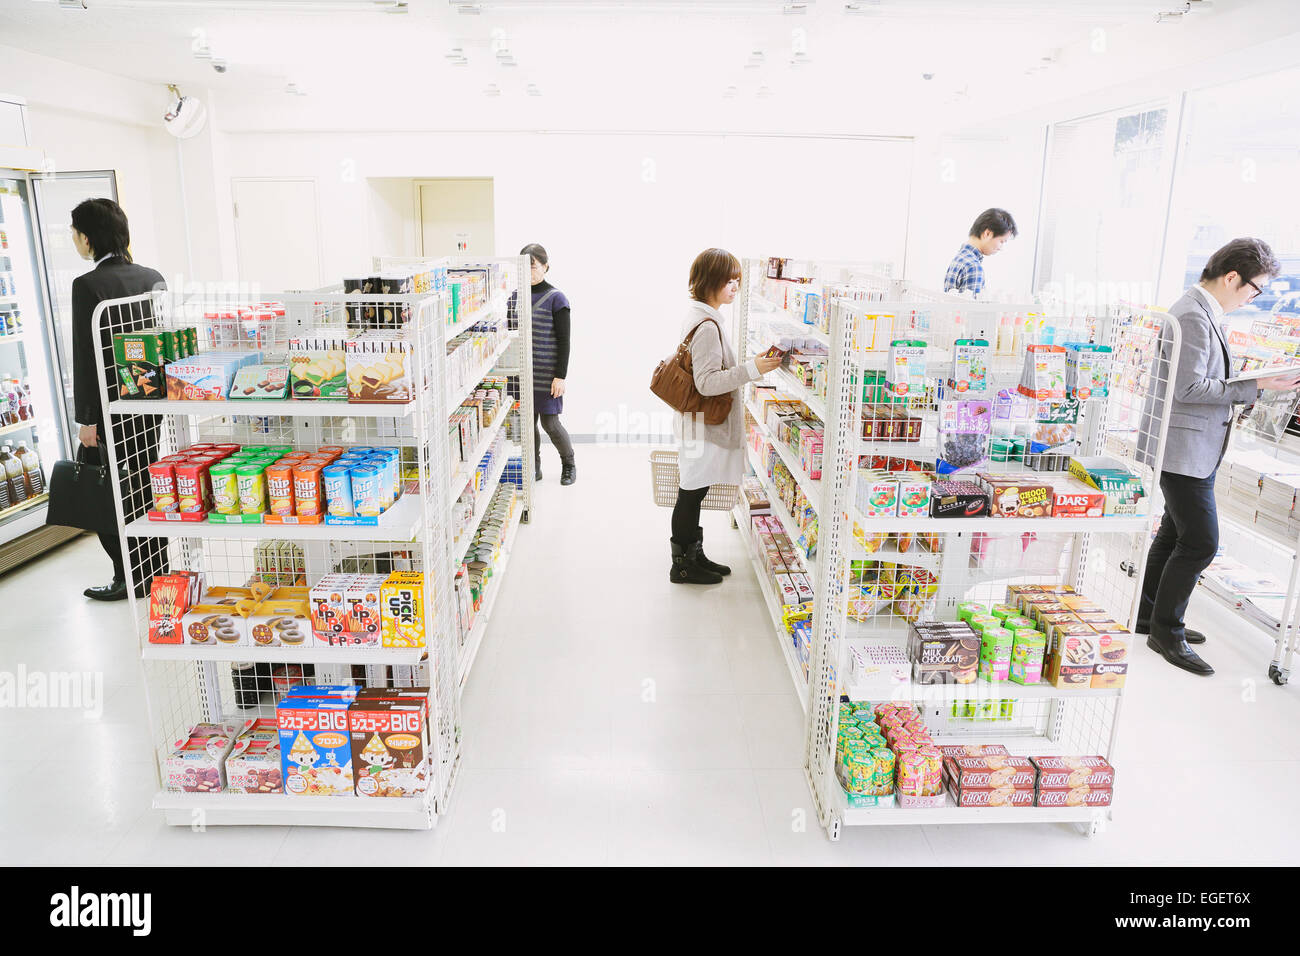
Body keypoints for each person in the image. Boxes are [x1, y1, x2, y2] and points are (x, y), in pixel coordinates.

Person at [1136, 238, 1300, 675]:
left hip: (1193, 447)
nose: (1254, 297)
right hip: (1183, 448)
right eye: (1255, 289)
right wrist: (1257, 387)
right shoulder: (1193, 314)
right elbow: (1189, 388)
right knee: (1201, 541)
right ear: (1233, 277)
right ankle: (1165, 632)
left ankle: (1149, 616)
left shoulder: (1202, 310)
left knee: (1174, 534)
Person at [69, 198, 167, 601]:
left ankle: (126, 575)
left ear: (87, 238)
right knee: (146, 480)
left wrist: (87, 419)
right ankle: (155, 570)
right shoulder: (152, 277)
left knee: (107, 487)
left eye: (74, 233)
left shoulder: (87, 286)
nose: (75, 240)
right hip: (150, 398)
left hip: (111, 407)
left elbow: (86, 356)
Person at [670, 248, 782, 585]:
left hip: (699, 424)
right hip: (702, 426)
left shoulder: (705, 316)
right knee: (690, 492)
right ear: (709, 282)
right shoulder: (706, 326)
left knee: (694, 490)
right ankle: (683, 566)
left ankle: (693, 555)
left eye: (737, 280)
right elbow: (706, 384)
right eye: (728, 280)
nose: (734, 286)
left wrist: (752, 364)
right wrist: (752, 369)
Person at [519, 243, 577, 486]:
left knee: (550, 423)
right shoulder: (515, 296)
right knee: (526, 424)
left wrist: (560, 376)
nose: (528, 271)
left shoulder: (557, 298)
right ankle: (535, 468)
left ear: (545, 267)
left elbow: (564, 340)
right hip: (523, 373)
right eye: (523, 266)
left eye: (532, 266)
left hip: (548, 375)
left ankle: (569, 464)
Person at [943, 208, 1017, 296]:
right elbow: (972, 309)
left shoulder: (959, 258)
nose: (1001, 248)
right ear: (987, 233)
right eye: (1001, 241)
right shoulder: (974, 267)